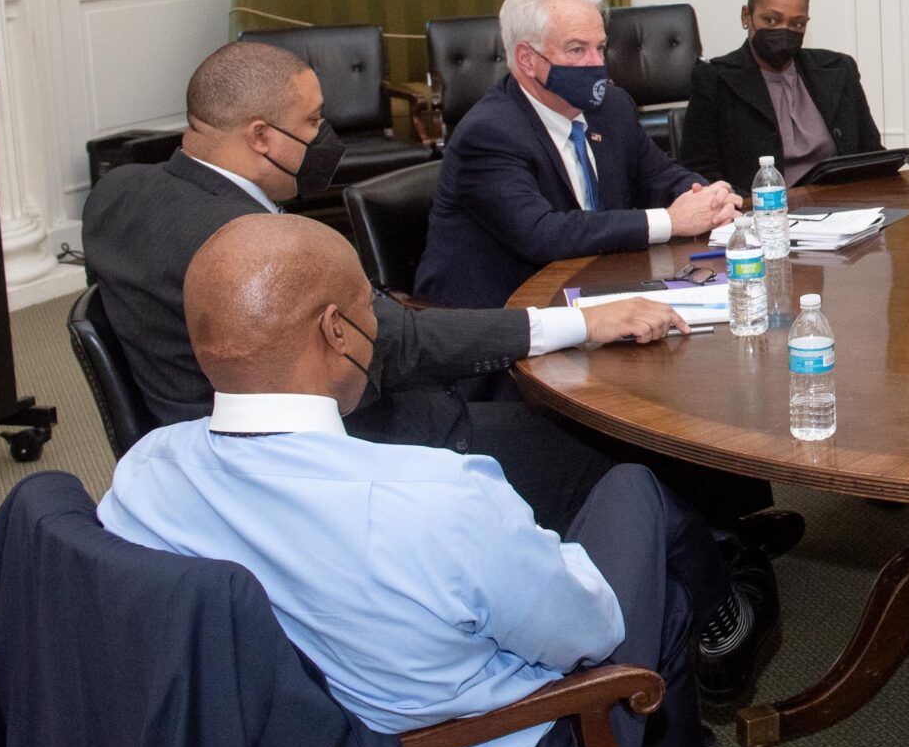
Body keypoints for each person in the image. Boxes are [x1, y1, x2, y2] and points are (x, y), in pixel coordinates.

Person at [96, 215, 806, 747]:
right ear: (337, 330)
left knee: (630, 568)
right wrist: (545, 556)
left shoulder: (142, 477)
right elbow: (591, 633)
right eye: (373, 307)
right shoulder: (432, 498)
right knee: (636, 504)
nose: (380, 323)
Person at [84, 41, 687, 507]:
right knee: (614, 457)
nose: (325, 137)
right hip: (334, 457)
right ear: (261, 137)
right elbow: (398, 341)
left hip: (194, 455)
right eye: (312, 122)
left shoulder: (115, 196)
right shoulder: (254, 247)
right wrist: (583, 322)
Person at [417, 0, 741, 311]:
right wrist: (670, 220)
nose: (595, 63)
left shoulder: (612, 107)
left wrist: (707, 198)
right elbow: (541, 234)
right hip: (499, 314)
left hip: (595, 292)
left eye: (600, 48)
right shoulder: (489, 132)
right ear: (527, 59)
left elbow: (659, 175)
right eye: (576, 50)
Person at [681, 0, 883, 195]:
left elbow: (872, 155)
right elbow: (700, 175)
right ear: (747, 16)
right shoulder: (713, 80)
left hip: (844, 206)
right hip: (760, 211)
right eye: (771, 20)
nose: (783, 31)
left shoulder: (839, 69)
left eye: (797, 24)